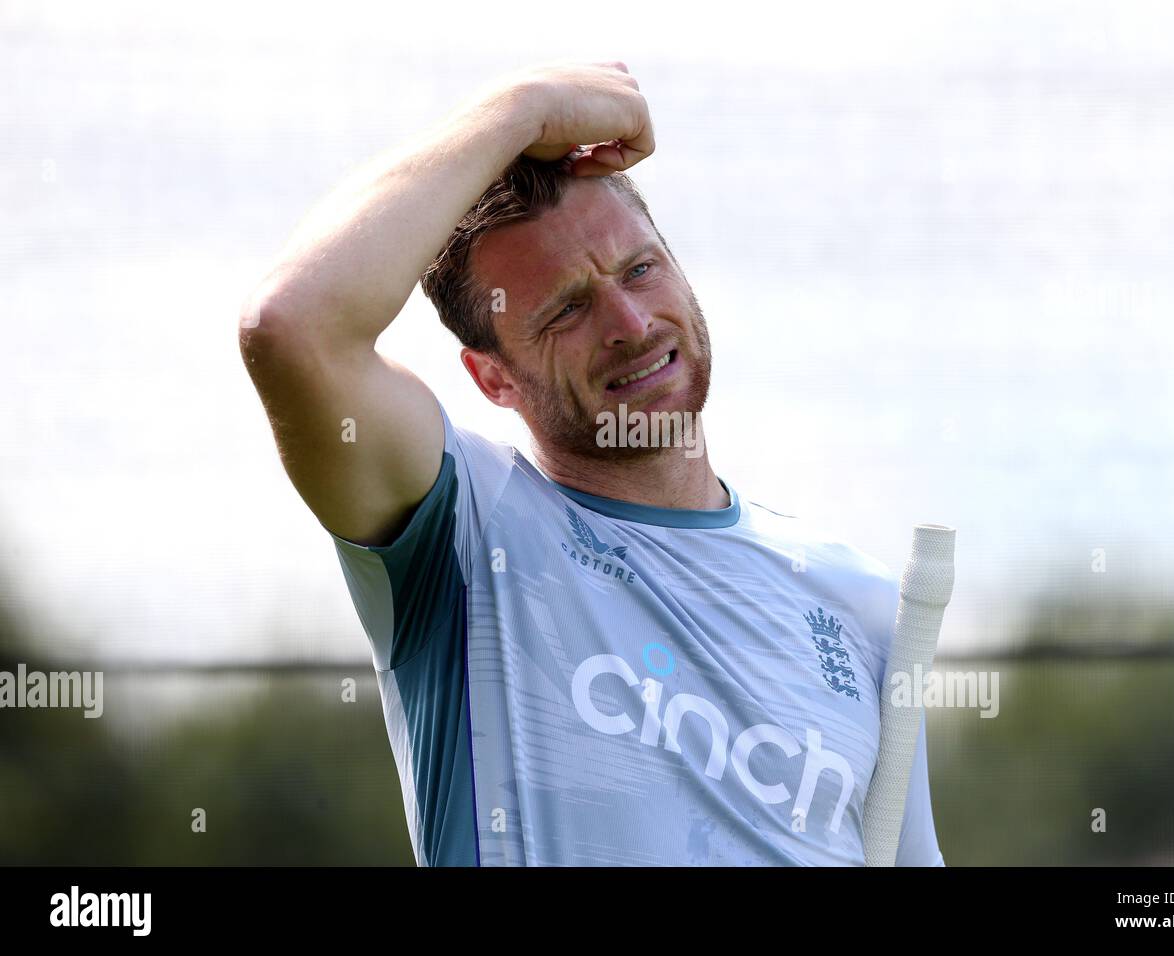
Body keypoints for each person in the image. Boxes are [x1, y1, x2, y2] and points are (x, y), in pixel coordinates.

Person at [238, 60, 943, 866]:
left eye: (641, 269)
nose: (631, 321)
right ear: (492, 376)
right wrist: (518, 109)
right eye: (568, 309)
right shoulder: (467, 531)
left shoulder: (860, 599)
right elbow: (291, 328)